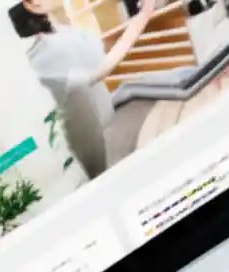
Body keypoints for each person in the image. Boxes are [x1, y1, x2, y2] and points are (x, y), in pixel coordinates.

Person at [8, 0, 160, 177]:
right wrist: (143, 17)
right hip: (94, 142)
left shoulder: (60, 35)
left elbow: (100, 57)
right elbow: (103, 68)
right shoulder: (43, 54)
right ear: (31, 5)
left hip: (104, 127)